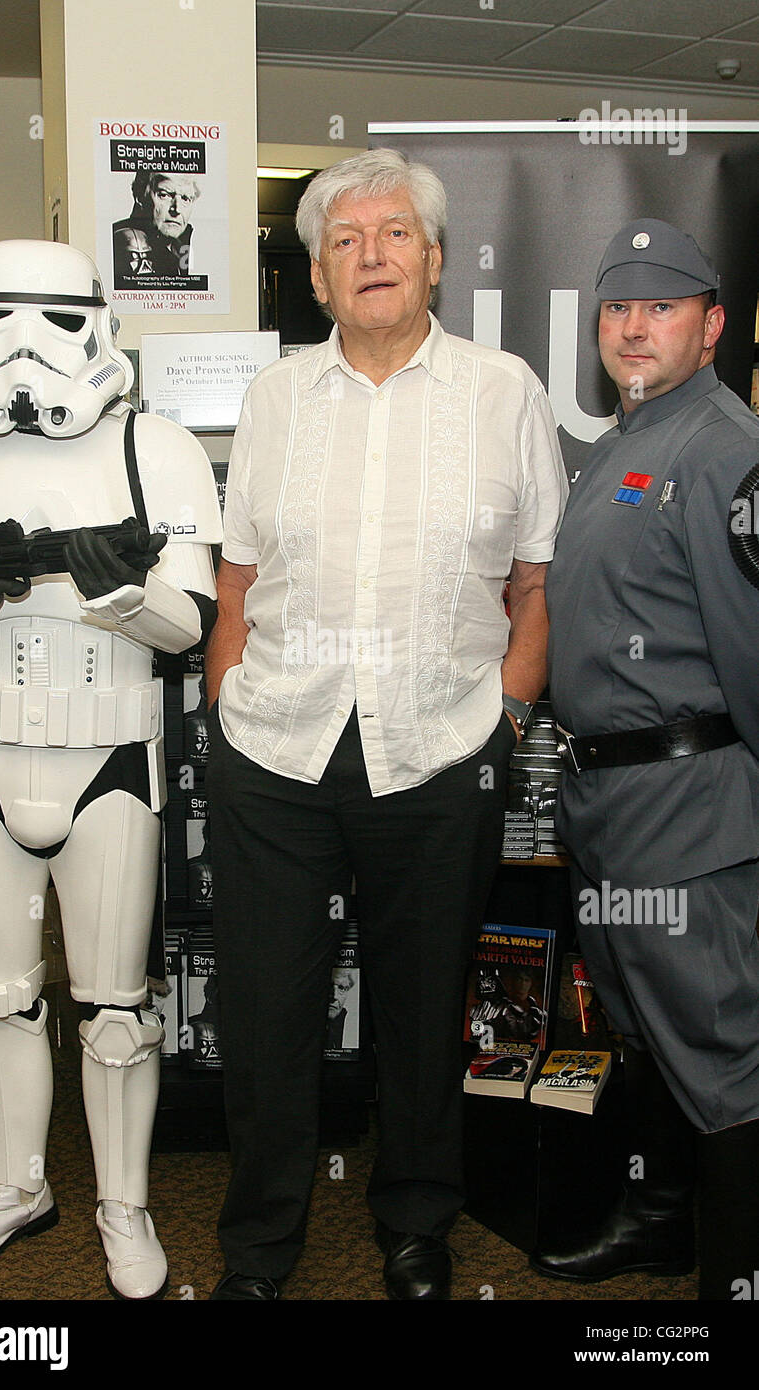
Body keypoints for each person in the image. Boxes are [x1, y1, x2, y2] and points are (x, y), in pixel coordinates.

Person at [204, 148, 567, 1300]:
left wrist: (505, 715)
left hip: (439, 749)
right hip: (276, 751)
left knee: (422, 1013)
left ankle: (416, 1225)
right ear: (316, 279)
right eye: (345, 240)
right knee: (266, 1021)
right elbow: (234, 583)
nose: (371, 254)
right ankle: (259, 1248)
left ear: (435, 261)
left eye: (394, 233)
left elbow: (535, 582)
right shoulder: (273, 399)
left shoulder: (504, 391)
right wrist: (224, 708)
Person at [0, 239, 221, 1298]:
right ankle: (18, 1185)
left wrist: (123, 597)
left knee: (115, 1007)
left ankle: (124, 1202)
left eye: (51, 323)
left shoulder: (159, 450)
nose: (22, 354)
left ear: (96, 322)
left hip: (107, 761)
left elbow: (191, 623)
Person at [535, 218, 759, 1300]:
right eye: (617, 308)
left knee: (719, 1056)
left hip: (689, 813)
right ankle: (661, 1225)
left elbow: (750, 651)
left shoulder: (722, 448)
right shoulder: (627, 437)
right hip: (610, 807)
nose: (633, 327)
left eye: (660, 307)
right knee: (643, 1036)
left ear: (709, 327)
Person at [113, 172, 205, 284]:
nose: (177, 209)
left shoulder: (189, 242)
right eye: (164, 195)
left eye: (185, 199)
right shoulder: (120, 241)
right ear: (140, 196)